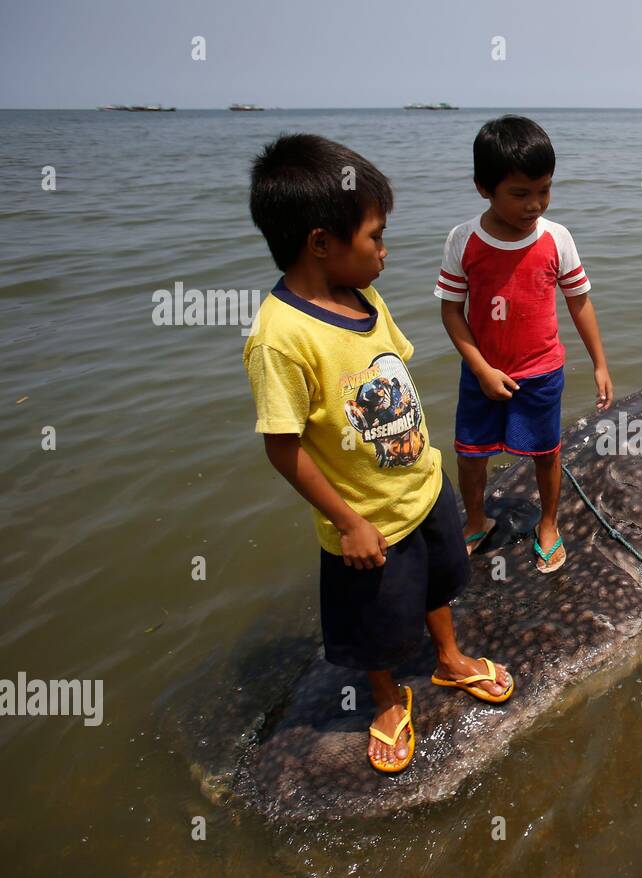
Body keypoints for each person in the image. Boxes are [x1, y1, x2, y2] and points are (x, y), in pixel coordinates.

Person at [243, 134, 513, 776]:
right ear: (320, 243)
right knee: (377, 621)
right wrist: (350, 522)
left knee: (439, 583)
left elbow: (391, 378)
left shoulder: (364, 299)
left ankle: (449, 661)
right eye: (375, 238)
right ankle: (388, 701)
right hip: (366, 518)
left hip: (423, 487)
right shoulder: (279, 339)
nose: (385, 253)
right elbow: (283, 450)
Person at [436, 116, 613, 573]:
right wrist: (480, 368)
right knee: (471, 453)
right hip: (482, 371)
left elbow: (579, 303)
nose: (535, 204)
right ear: (483, 188)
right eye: (520, 194)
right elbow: (452, 311)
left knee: (545, 452)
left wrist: (600, 364)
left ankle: (548, 524)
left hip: (541, 371)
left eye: (544, 190)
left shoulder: (557, 238)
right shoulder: (464, 240)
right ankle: (475, 520)